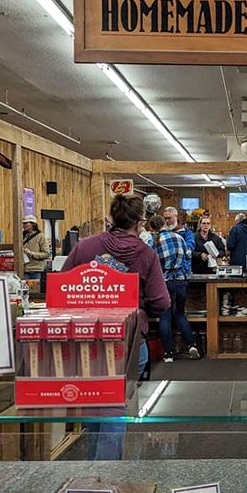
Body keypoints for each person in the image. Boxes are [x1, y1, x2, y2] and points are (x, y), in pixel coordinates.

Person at [61, 195, 170, 459]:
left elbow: (60, 286)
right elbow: (162, 301)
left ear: (111, 218)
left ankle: (93, 481)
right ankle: (104, 483)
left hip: (87, 341)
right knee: (114, 412)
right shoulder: (145, 254)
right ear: (140, 222)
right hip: (128, 342)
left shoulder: (84, 247)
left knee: (94, 411)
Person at [148, 214, 200, 362]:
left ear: (152, 228)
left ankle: (168, 354)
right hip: (180, 281)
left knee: (165, 317)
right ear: (165, 223)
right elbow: (187, 257)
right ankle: (192, 345)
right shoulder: (179, 238)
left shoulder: (154, 242)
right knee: (180, 314)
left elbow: (150, 264)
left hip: (163, 283)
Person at [163, 206, 195, 278]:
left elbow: (189, 248)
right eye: (165, 218)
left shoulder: (187, 233)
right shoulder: (163, 233)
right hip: (165, 274)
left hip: (182, 274)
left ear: (176, 217)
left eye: (169, 218)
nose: (167, 221)